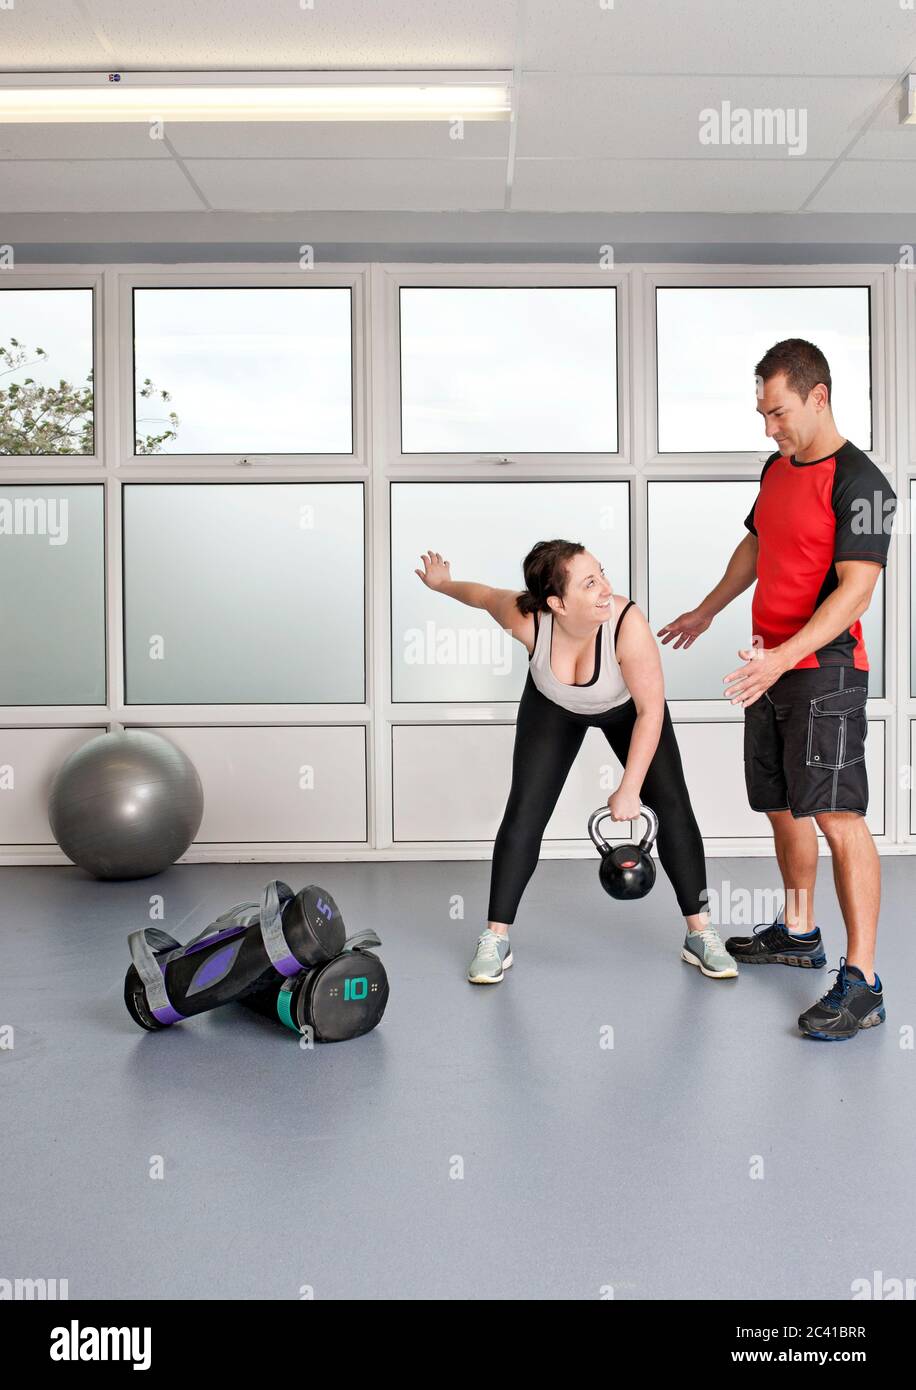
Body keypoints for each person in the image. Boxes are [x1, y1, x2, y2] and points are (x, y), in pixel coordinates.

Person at [658, 338, 896, 1041]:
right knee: (783, 806)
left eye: (779, 412)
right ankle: (799, 930)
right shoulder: (777, 467)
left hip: (824, 672)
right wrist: (709, 608)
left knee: (835, 815)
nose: (769, 428)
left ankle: (864, 982)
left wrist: (784, 658)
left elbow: (856, 594)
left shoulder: (865, 484)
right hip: (770, 665)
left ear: (818, 397)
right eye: (763, 414)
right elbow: (760, 544)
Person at [414, 541, 737, 984]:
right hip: (553, 707)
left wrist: (629, 788)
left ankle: (700, 933)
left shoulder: (627, 624)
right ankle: (495, 937)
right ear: (557, 603)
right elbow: (484, 595)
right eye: (590, 583)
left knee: (674, 808)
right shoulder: (526, 619)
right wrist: (444, 585)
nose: (606, 587)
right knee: (524, 813)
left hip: (627, 710)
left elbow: (651, 712)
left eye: (602, 573)